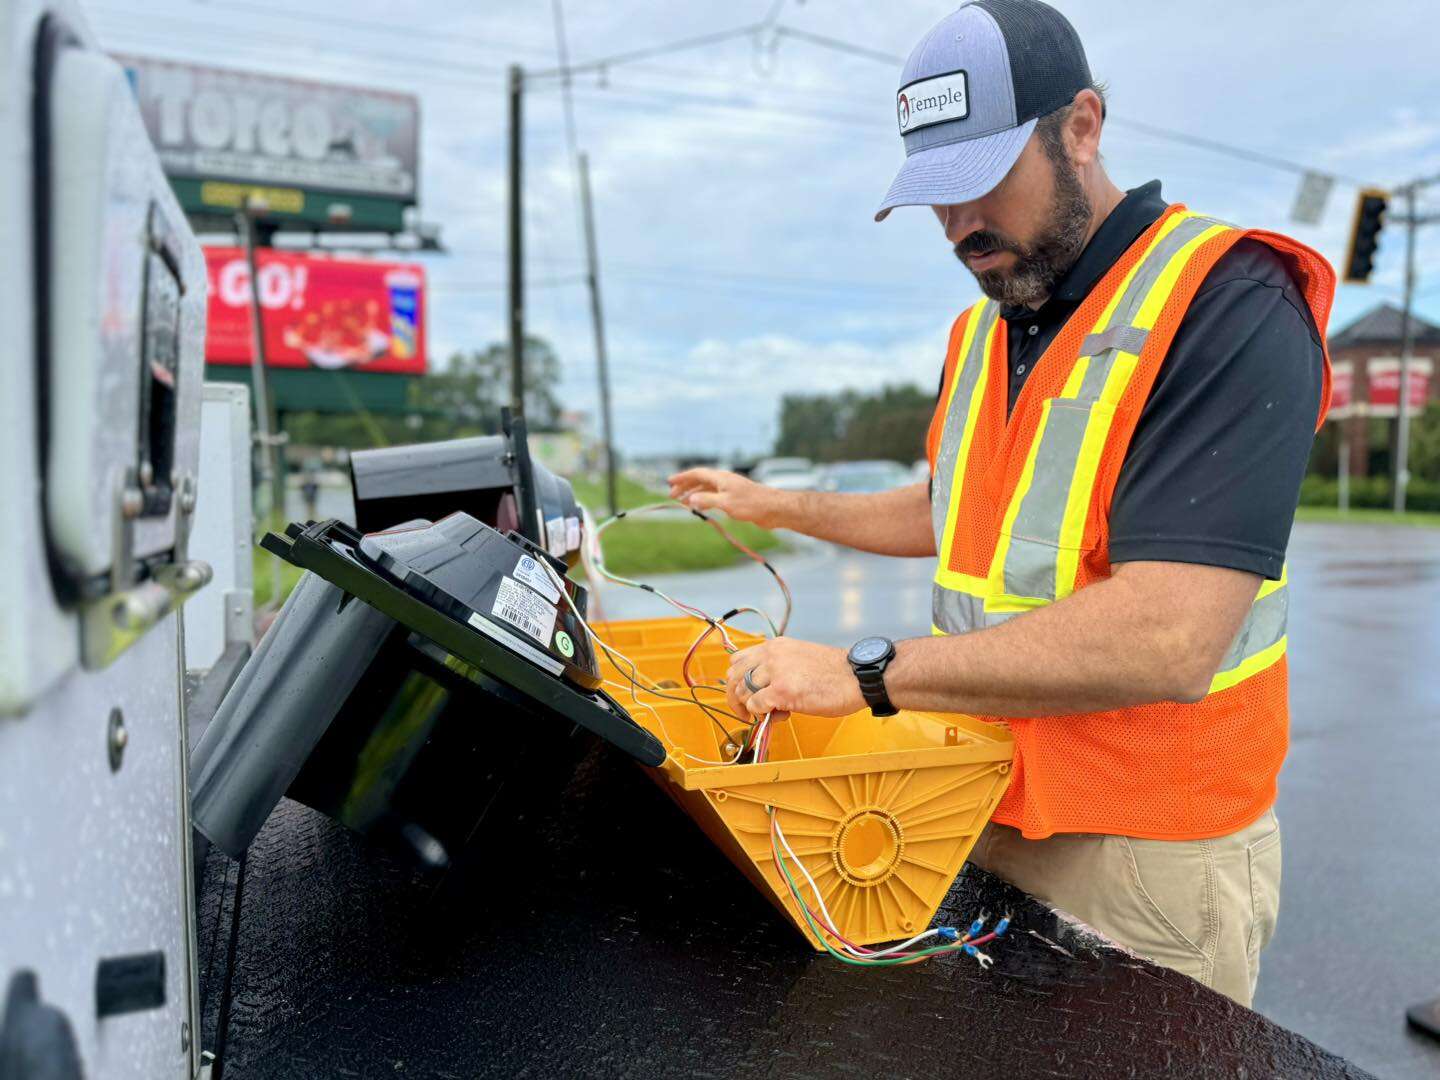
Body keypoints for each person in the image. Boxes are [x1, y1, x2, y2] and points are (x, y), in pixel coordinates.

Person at [668, 0, 1334, 1009]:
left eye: (980, 181)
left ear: (1082, 127)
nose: (958, 227)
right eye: (935, 197)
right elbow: (949, 515)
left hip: (1146, 854)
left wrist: (869, 675)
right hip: (980, 803)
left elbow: (1170, 634)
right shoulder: (987, 330)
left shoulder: (1223, 301)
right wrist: (776, 503)